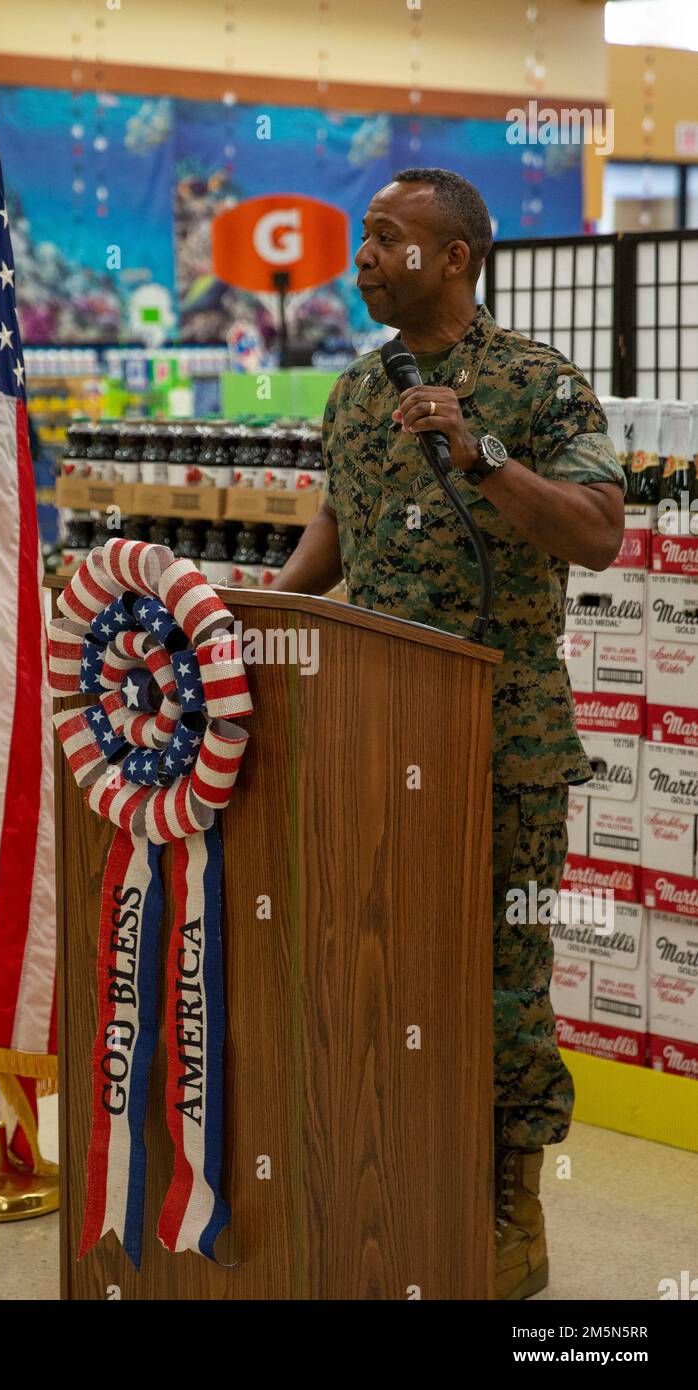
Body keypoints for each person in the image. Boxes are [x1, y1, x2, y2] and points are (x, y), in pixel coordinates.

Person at [271, 168, 625, 1301]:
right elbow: (340, 519)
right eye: (359, 240)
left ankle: (506, 1201)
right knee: (370, 961)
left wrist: (483, 457)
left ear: (455, 258)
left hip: (496, 743)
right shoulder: (354, 390)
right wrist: (269, 617)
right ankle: (384, 1172)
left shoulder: (534, 384)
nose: (361, 257)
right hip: (365, 730)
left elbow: (600, 533)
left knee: (500, 978)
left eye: (384, 239)